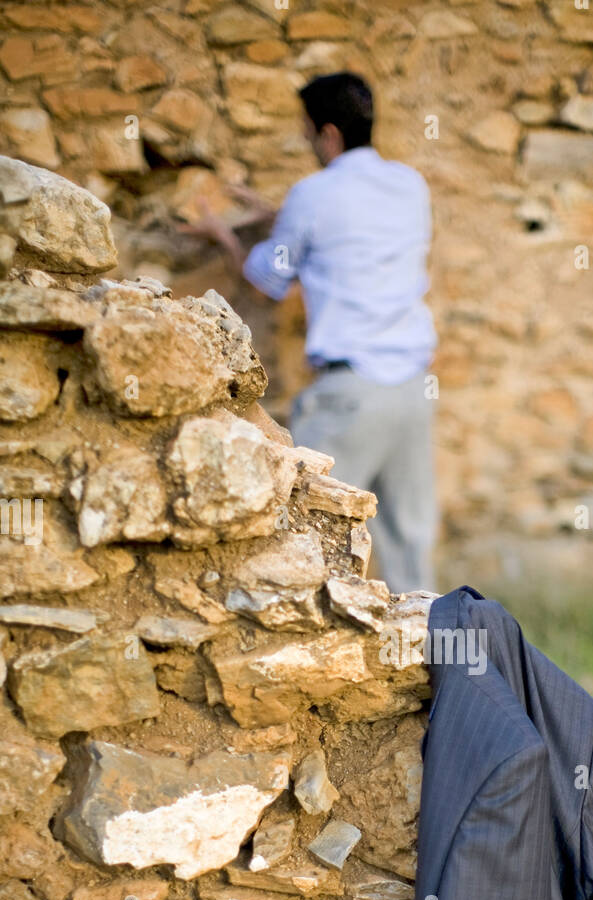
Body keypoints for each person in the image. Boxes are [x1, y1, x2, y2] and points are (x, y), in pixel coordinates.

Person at [182, 72, 438, 595]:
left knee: (306, 537)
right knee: (411, 548)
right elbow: (356, 235)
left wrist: (224, 234)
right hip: (414, 390)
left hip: (349, 396)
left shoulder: (313, 194)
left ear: (328, 135)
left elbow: (266, 278)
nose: (307, 145)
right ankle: (438, 666)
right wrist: (283, 216)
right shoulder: (410, 185)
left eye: (307, 135)